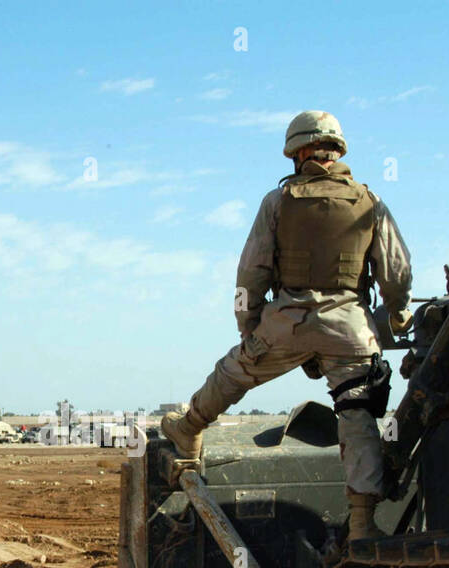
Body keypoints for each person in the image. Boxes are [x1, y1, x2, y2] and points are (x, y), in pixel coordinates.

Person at [160, 110, 413, 538]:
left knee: (235, 371)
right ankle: (362, 524)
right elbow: (396, 270)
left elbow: (250, 273)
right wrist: (397, 309)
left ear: (296, 153)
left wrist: (248, 325)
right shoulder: (370, 202)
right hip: (349, 327)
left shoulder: (277, 202)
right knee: (357, 418)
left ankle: (188, 429)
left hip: (287, 321)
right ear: (339, 150)